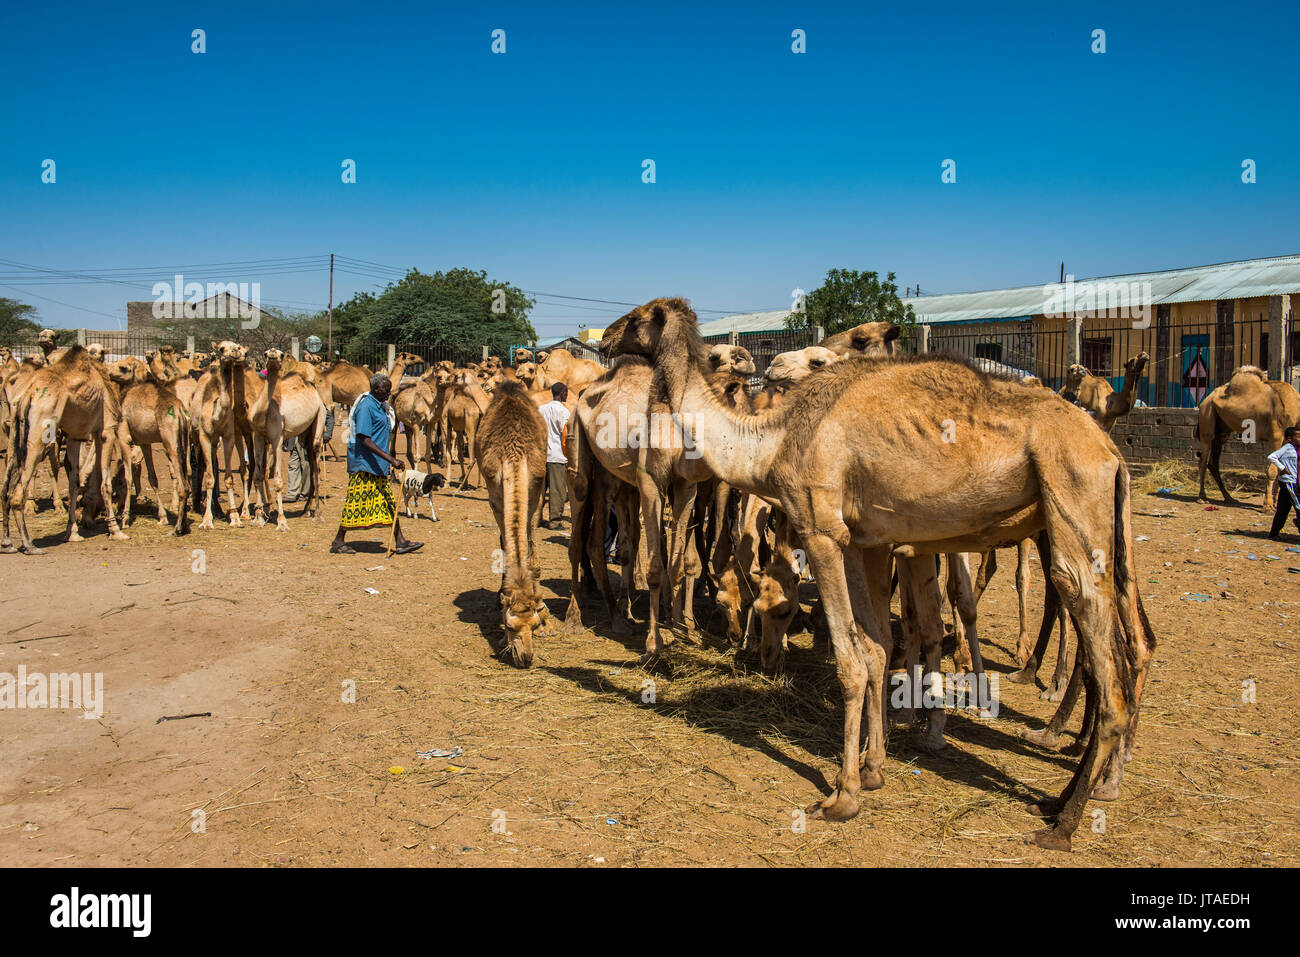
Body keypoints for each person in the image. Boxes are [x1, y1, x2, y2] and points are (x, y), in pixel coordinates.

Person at [331, 373, 423, 555]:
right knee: (355, 502)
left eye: (389, 390)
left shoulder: (381, 406)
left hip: (377, 464)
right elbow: (364, 439)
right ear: (375, 389)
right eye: (385, 390)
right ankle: (338, 540)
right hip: (365, 464)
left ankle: (400, 541)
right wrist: (392, 459)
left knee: (389, 502)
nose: (389, 393)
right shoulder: (366, 407)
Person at [539, 382, 570, 529]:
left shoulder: (541, 409)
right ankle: (555, 521)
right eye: (566, 392)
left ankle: (535, 518)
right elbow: (565, 435)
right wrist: (568, 454)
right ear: (562, 393)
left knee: (539, 489)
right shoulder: (564, 412)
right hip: (557, 456)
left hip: (541, 455)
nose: (567, 395)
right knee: (557, 491)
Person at [1267, 426, 1300, 541]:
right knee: (1298, 505)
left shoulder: (1295, 448)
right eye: (1298, 436)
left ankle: (1273, 533)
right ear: (1290, 438)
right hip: (1289, 481)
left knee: (1283, 509)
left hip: (1290, 481)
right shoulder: (1287, 447)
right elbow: (1272, 456)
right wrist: (1282, 468)